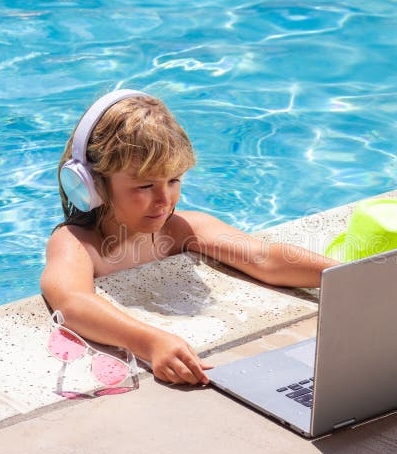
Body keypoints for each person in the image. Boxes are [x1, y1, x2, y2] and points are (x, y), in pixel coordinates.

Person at [40, 89, 339, 386]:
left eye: (173, 181)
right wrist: (150, 342)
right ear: (91, 184)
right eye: (145, 186)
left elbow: (265, 258)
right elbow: (72, 303)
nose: (164, 199)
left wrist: (343, 276)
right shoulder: (77, 243)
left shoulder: (179, 229)